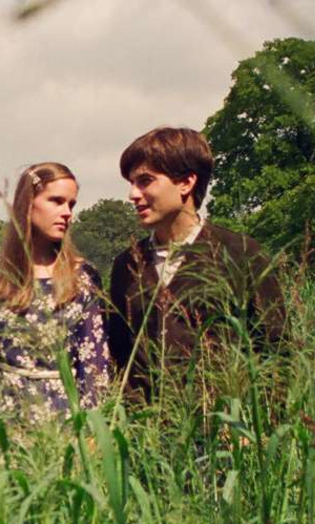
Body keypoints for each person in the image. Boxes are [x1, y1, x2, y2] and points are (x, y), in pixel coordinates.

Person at [107, 127, 285, 401]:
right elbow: (118, 355)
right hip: (146, 431)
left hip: (227, 431)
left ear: (186, 183)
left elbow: (277, 351)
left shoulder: (240, 254)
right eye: (131, 183)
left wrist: (255, 428)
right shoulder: (127, 265)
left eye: (145, 181)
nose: (133, 194)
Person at [0, 162, 111, 424]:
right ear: (28, 202)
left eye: (71, 204)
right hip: (2, 415)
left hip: (65, 417)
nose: (66, 213)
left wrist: (94, 426)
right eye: (56, 201)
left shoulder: (82, 277)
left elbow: (94, 363)